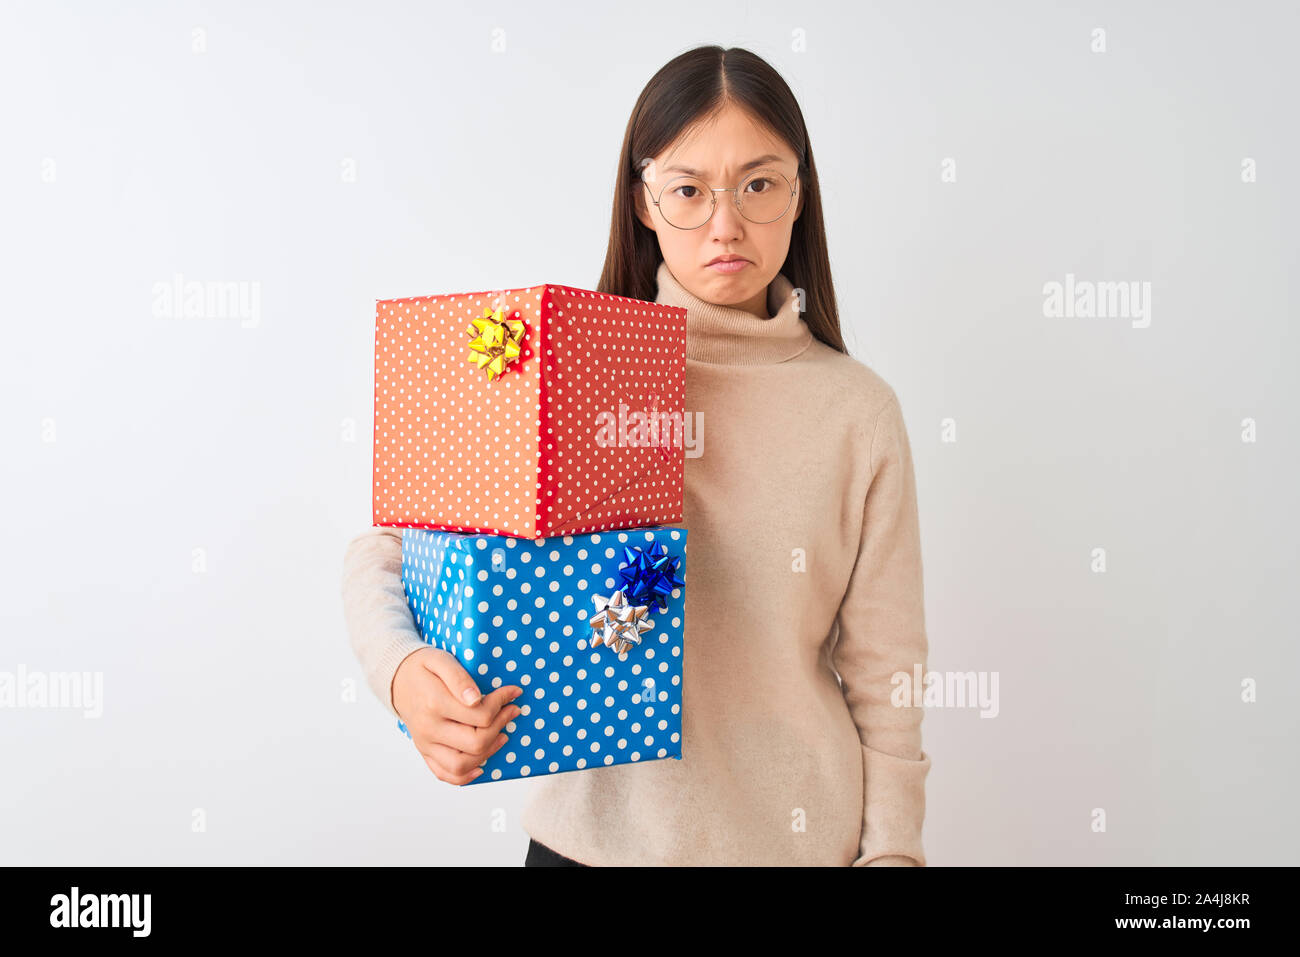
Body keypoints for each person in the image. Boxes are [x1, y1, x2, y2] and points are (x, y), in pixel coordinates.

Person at [342, 45, 931, 867]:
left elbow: (887, 673)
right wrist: (403, 673)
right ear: (645, 203)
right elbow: (391, 546)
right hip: (587, 846)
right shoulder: (565, 365)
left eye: (759, 184)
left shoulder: (859, 411)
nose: (726, 223)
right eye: (689, 190)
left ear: (801, 193)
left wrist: (894, 851)